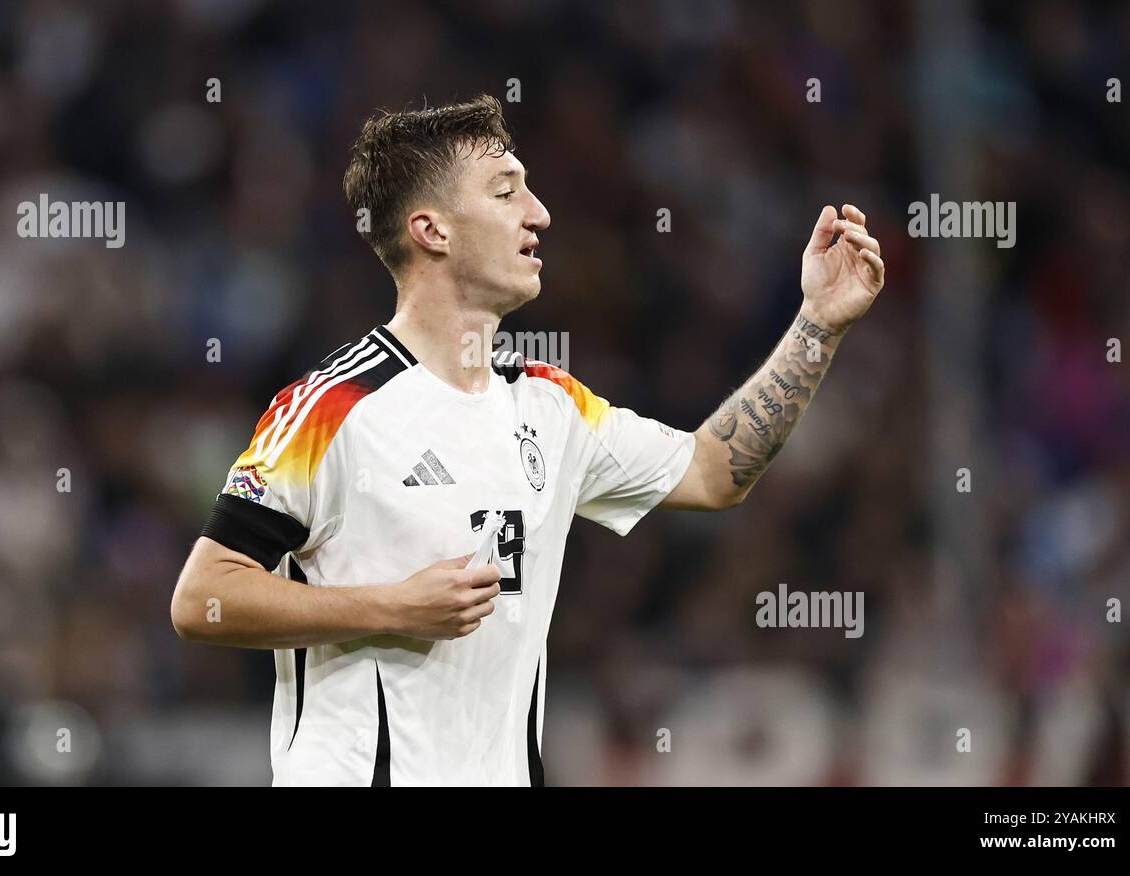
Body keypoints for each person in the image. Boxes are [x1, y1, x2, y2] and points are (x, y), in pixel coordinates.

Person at [170, 94, 885, 785]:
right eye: (506, 191)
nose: (539, 214)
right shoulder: (332, 408)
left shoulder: (550, 405)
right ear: (433, 231)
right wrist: (389, 606)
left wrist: (817, 324)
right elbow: (202, 597)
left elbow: (713, 471)